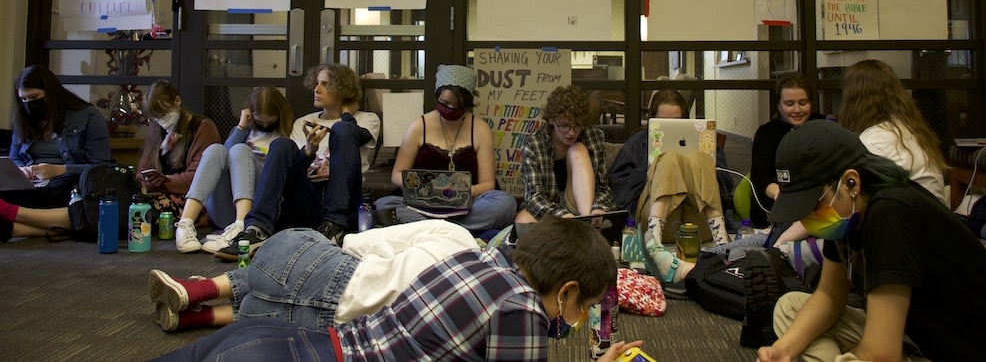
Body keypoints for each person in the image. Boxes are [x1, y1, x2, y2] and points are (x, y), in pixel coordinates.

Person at [147, 217, 640, 362]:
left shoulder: (472, 258)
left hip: (279, 342)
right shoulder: (523, 308)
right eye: (586, 307)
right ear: (569, 290)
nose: (580, 319)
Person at [756, 120, 986, 362]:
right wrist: (783, 350)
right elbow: (830, 295)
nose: (808, 218)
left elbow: (881, 354)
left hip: (966, 351)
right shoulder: (850, 211)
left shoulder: (891, 213)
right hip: (912, 337)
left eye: (813, 204)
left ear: (851, 182)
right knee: (790, 309)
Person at [215, 64, 380, 258]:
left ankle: (334, 227)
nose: (316, 89)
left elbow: (355, 136)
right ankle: (256, 229)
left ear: (343, 90)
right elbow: (293, 168)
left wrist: (346, 114)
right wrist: (308, 152)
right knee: (282, 145)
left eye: (325, 85)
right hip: (307, 198)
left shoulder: (367, 119)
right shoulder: (303, 122)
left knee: (342, 130)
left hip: (343, 202)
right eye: (316, 83)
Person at [374, 64, 516, 234]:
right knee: (384, 205)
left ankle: (433, 230)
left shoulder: (479, 129)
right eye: (445, 103)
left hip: (467, 205)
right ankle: (455, 231)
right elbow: (397, 175)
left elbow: (488, 183)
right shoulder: (419, 126)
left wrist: (465, 191)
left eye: (458, 105)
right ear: (437, 95)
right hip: (422, 203)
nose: (451, 109)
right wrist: (425, 189)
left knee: (505, 203)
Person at [172, 86, 295, 253]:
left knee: (240, 150)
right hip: (226, 207)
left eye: (270, 121)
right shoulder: (245, 132)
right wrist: (242, 126)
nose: (265, 125)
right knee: (216, 149)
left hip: (260, 211)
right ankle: (185, 224)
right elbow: (226, 157)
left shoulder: (288, 135)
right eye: (260, 121)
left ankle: (241, 226)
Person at [0, 65, 112, 241]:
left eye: (34, 98)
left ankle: (13, 219)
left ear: (50, 93)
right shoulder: (23, 119)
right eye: (24, 100)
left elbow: (102, 169)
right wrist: (21, 172)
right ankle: (31, 228)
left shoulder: (87, 116)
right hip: (33, 187)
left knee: (65, 192)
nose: (29, 104)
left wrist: (59, 170)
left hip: (67, 185)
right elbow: (15, 159)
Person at [609, 89, 730, 248]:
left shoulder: (705, 142)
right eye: (664, 123)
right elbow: (620, 187)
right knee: (669, 158)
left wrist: (691, 171)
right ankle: (653, 238)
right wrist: (655, 171)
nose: (671, 128)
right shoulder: (639, 141)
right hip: (651, 216)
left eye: (677, 122)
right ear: (652, 120)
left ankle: (721, 239)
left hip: (699, 221)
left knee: (700, 157)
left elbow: (725, 188)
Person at [838, 59, 948, 205]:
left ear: (853, 99)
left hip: (910, 222)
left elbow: (849, 203)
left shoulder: (874, 141)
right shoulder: (909, 130)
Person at [515, 86, 617, 229]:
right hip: (549, 208)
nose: (571, 133)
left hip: (581, 207)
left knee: (578, 149)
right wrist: (562, 215)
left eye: (577, 126)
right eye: (564, 126)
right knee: (523, 222)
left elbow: (603, 188)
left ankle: (586, 223)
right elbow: (534, 198)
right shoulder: (534, 144)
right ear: (551, 120)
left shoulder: (593, 136)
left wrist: (597, 209)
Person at [137, 80, 222, 238]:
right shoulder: (157, 130)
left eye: (164, 113)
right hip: (161, 192)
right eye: (156, 117)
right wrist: (148, 181)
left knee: (147, 210)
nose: (162, 120)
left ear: (177, 101)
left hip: (193, 199)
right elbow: (142, 171)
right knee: (134, 205)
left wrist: (164, 182)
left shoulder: (202, 127)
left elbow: (198, 179)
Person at [748, 74, 825, 229]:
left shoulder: (823, 126)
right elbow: (759, 176)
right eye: (789, 104)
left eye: (803, 103)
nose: (797, 110)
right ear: (778, 105)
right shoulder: (767, 133)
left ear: (811, 102)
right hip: (775, 208)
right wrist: (780, 196)